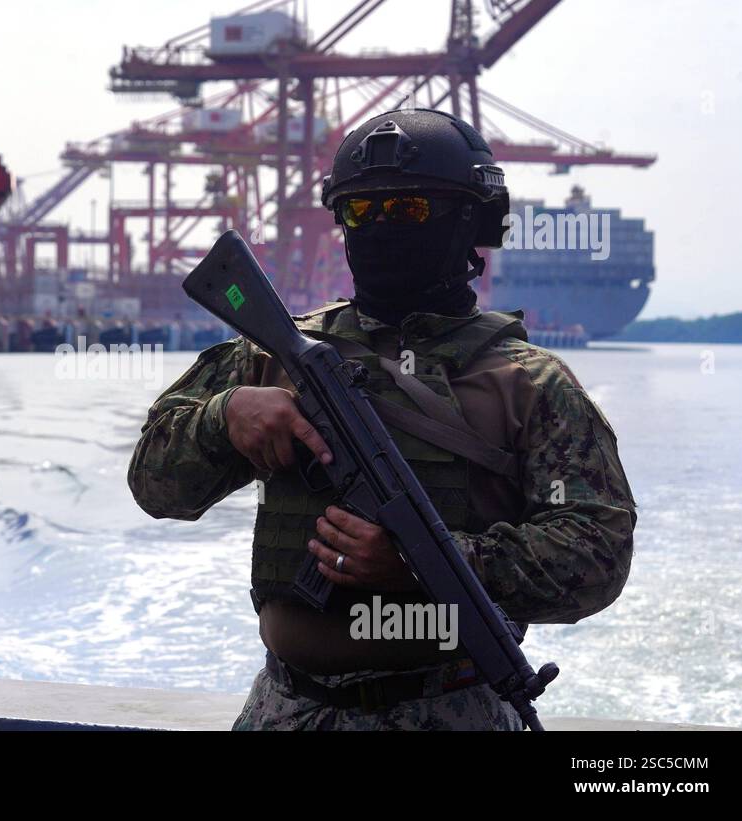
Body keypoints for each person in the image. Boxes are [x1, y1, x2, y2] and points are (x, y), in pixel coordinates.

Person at [128, 108, 636, 730]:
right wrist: (223, 416)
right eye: (361, 212)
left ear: (471, 221)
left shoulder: (529, 384)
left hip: (450, 709)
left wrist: (440, 561)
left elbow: (600, 555)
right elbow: (154, 488)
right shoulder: (271, 356)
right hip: (287, 709)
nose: (383, 227)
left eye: (412, 210)